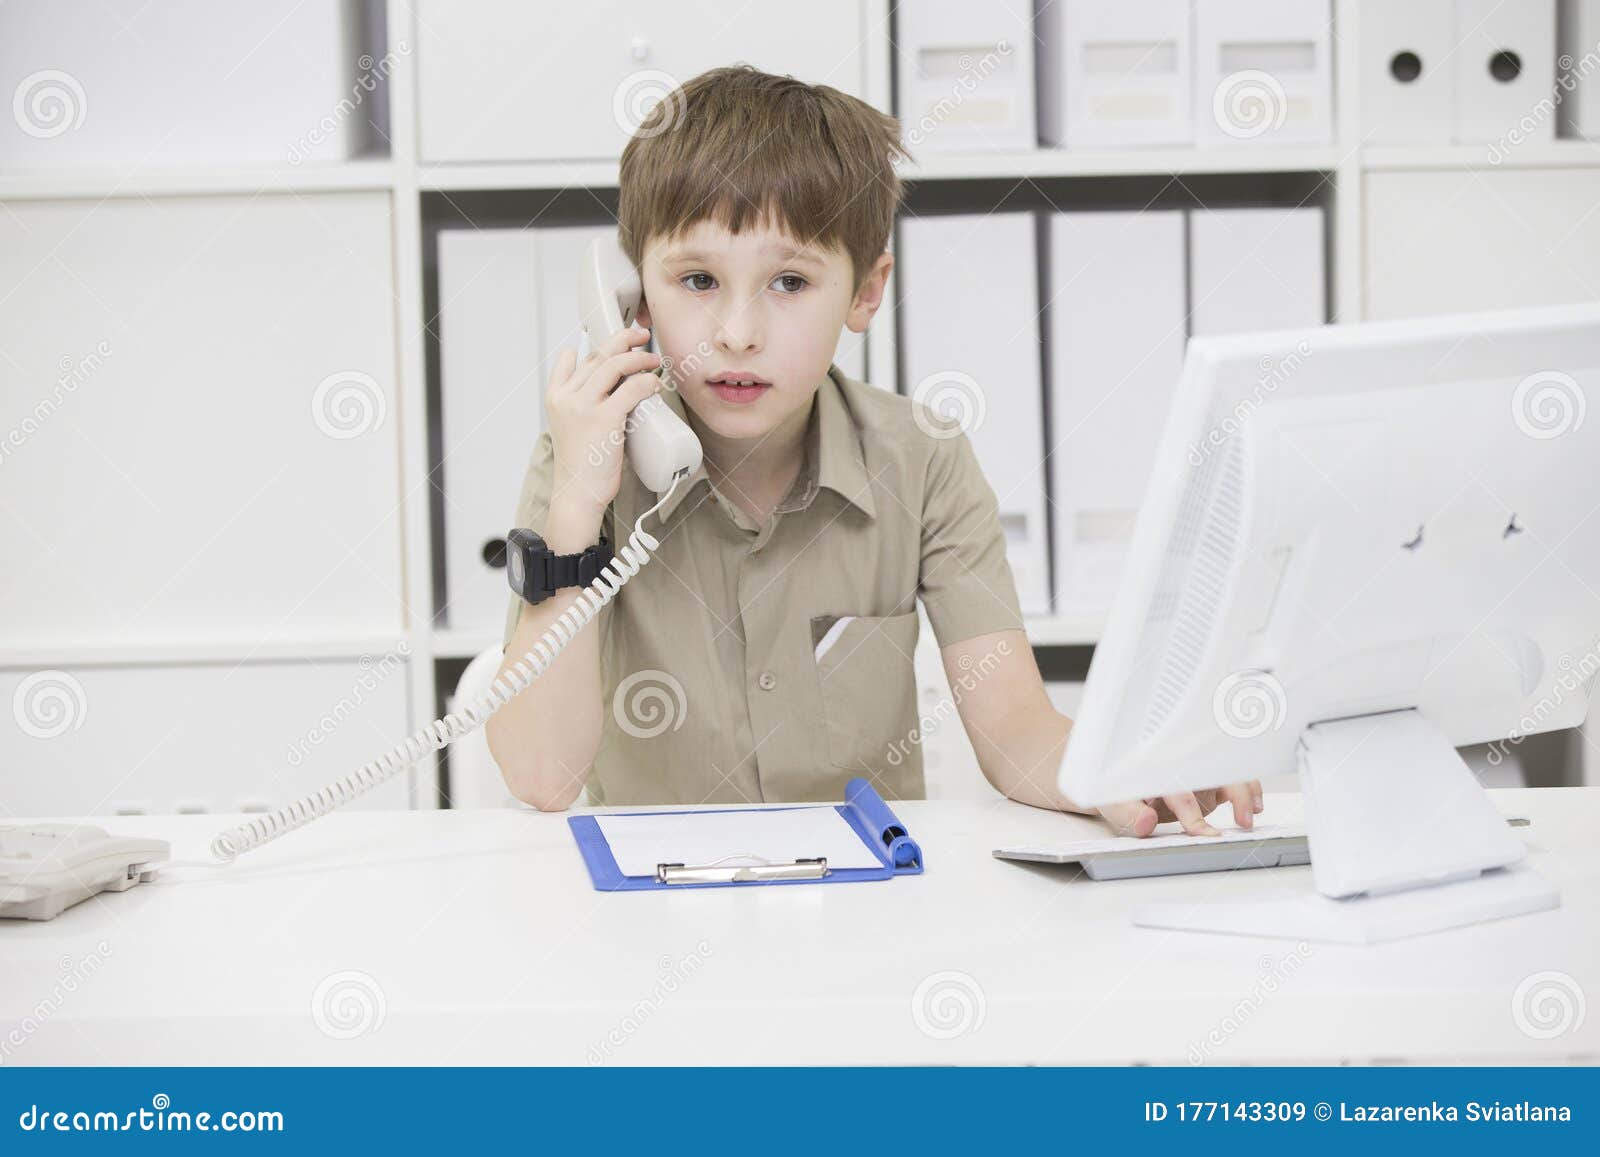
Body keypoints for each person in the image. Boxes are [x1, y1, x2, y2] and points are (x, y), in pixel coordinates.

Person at [486, 65, 1260, 838]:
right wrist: (579, 514)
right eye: (695, 279)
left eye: (789, 281)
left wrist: (1126, 768)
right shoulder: (586, 461)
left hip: (871, 911)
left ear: (865, 292)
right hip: (652, 905)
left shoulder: (922, 461)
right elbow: (543, 775)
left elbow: (1016, 726)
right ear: (631, 299)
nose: (737, 332)